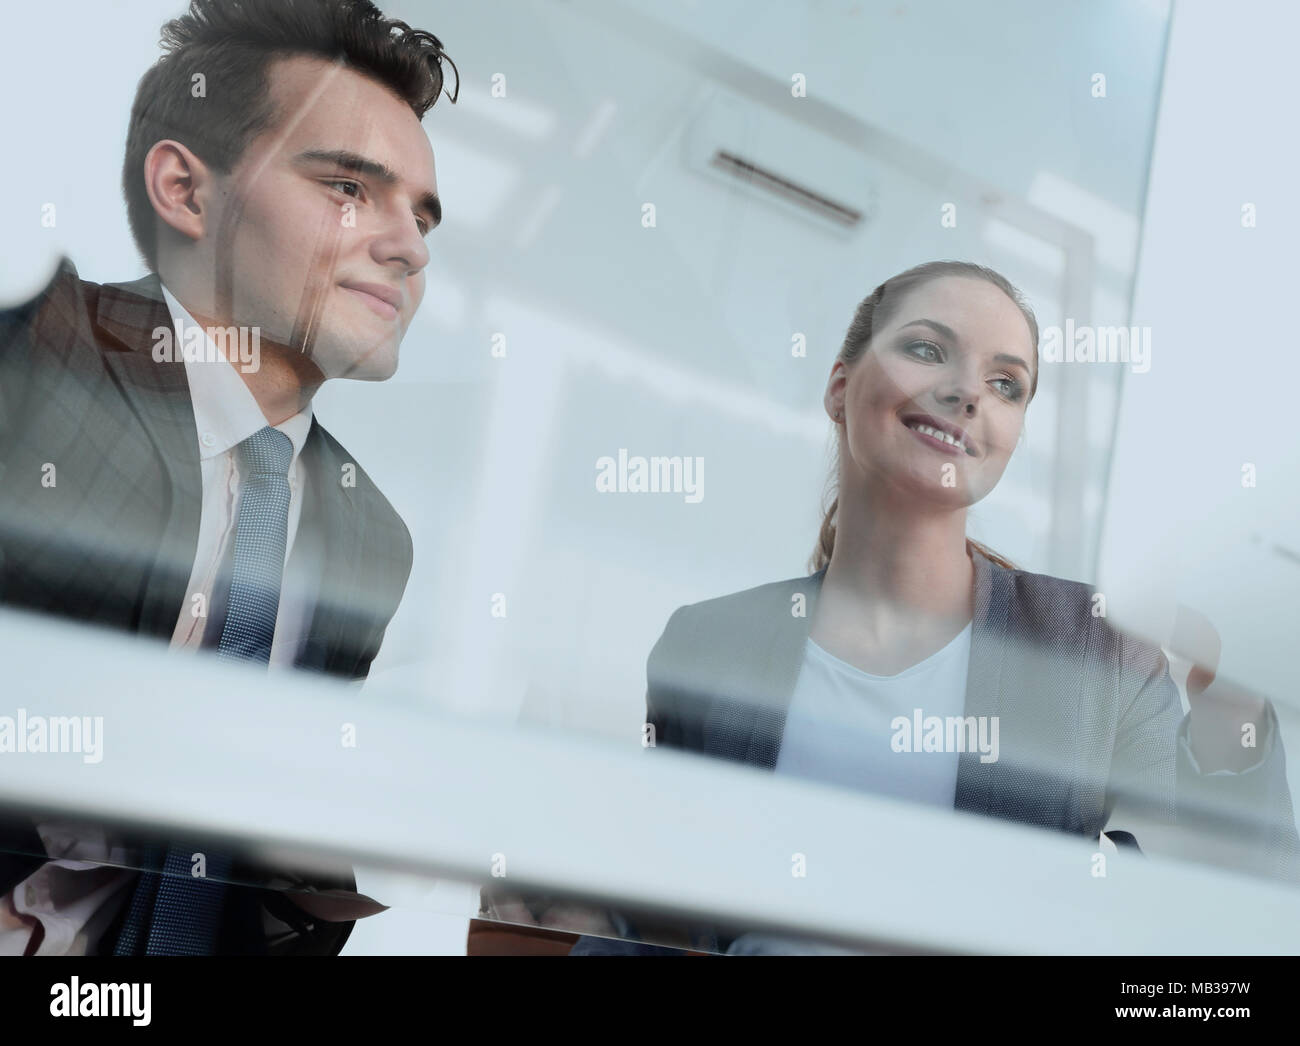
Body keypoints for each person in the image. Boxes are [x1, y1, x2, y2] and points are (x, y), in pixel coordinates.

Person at [567, 260, 1300, 955]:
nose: (967, 392)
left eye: (1006, 384)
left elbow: (1210, 919)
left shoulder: (1092, 647)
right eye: (927, 348)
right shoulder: (710, 642)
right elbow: (648, 922)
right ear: (838, 387)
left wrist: (1231, 688)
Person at [0, 0, 456, 955]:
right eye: (348, 187)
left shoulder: (373, 534)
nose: (408, 247)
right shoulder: (32, 361)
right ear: (185, 190)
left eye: (420, 215)